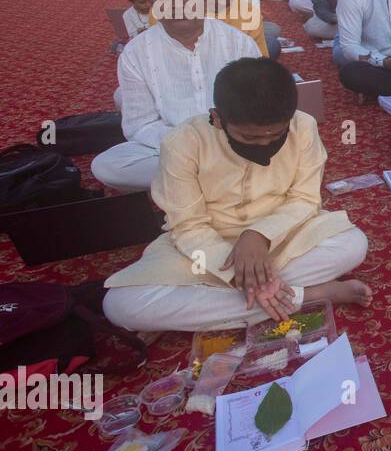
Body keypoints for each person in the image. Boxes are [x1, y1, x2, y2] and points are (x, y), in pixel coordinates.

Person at [102, 58, 371, 333]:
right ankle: (306, 295)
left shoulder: (303, 126)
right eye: (250, 138)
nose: (265, 144)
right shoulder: (182, 142)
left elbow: (304, 199)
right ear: (217, 118)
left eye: (276, 135)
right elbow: (189, 226)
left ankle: (236, 303)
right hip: (206, 248)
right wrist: (240, 273)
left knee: (353, 244)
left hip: (283, 237)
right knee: (121, 304)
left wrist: (259, 234)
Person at [92, 0, 261, 192]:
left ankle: (194, 181)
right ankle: (220, 178)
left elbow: (258, 108)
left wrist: (227, 137)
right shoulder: (136, 52)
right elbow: (140, 125)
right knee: (108, 166)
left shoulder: (238, 42)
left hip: (232, 141)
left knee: (298, 127)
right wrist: (191, 142)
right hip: (174, 145)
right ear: (153, 4)